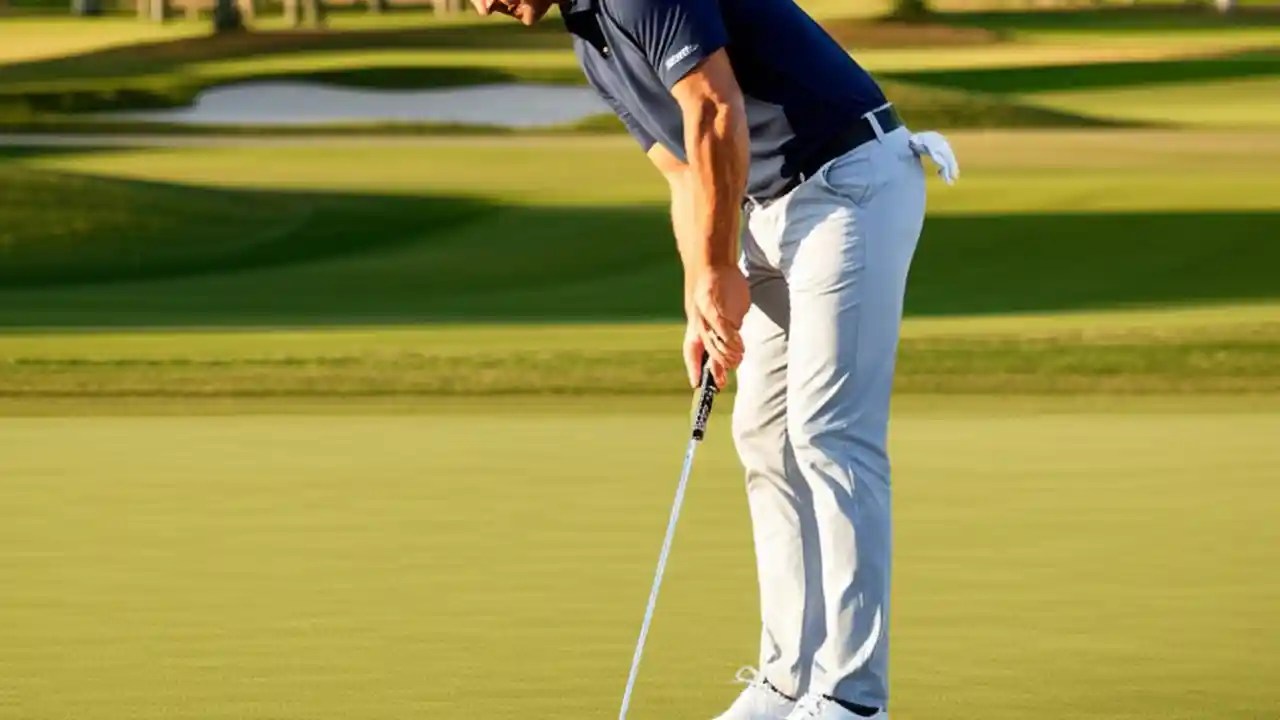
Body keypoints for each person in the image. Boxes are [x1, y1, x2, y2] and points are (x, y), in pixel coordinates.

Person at [469, 0, 959, 717]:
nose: (483, 3)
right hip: (766, 208)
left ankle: (853, 699)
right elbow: (680, 171)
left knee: (829, 435)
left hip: (850, 182)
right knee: (762, 436)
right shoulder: (589, 41)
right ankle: (787, 682)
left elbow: (714, 106)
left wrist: (721, 263)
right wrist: (700, 292)